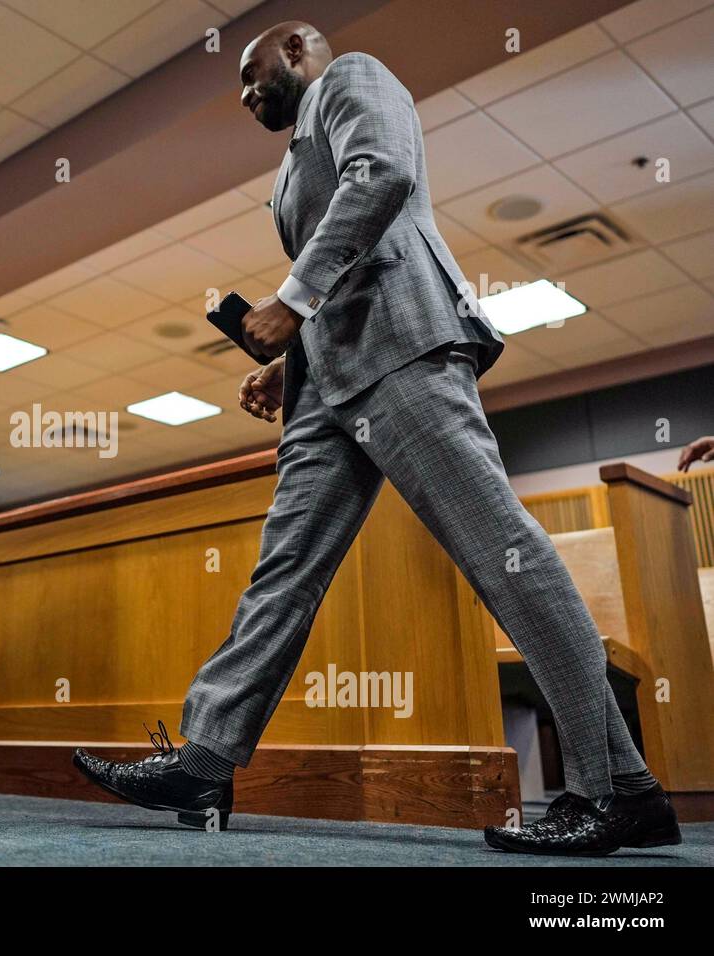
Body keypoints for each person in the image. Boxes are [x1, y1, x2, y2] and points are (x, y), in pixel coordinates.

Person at [73, 21, 681, 856]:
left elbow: (382, 175)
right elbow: (335, 275)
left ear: (294, 50)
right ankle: (206, 757)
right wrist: (289, 365)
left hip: (405, 349)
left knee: (500, 550)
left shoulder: (352, 79)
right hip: (328, 385)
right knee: (283, 568)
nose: (249, 97)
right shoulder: (288, 165)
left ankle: (613, 789)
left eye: (253, 77)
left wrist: (290, 300)